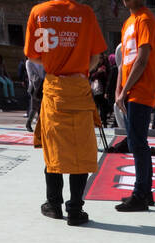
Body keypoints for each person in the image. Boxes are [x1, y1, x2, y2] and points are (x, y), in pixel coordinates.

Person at [25, 0, 106, 225]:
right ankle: (76, 209)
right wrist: (79, 70)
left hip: (54, 88)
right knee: (80, 151)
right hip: (79, 88)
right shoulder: (86, 13)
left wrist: (54, 65)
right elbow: (96, 57)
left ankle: (53, 205)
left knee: (54, 151)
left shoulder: (39, 12)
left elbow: (32, 55)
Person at [114, 0, 155, 212]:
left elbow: (142, 59)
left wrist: (124, 90)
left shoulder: (145, 19)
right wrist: (118, 88)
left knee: (137, 143)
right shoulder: (128, 22)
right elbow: (124, 61)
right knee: (137, 142)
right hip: (130, 91)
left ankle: (141, 194)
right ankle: (145, 192)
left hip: (141, 90)